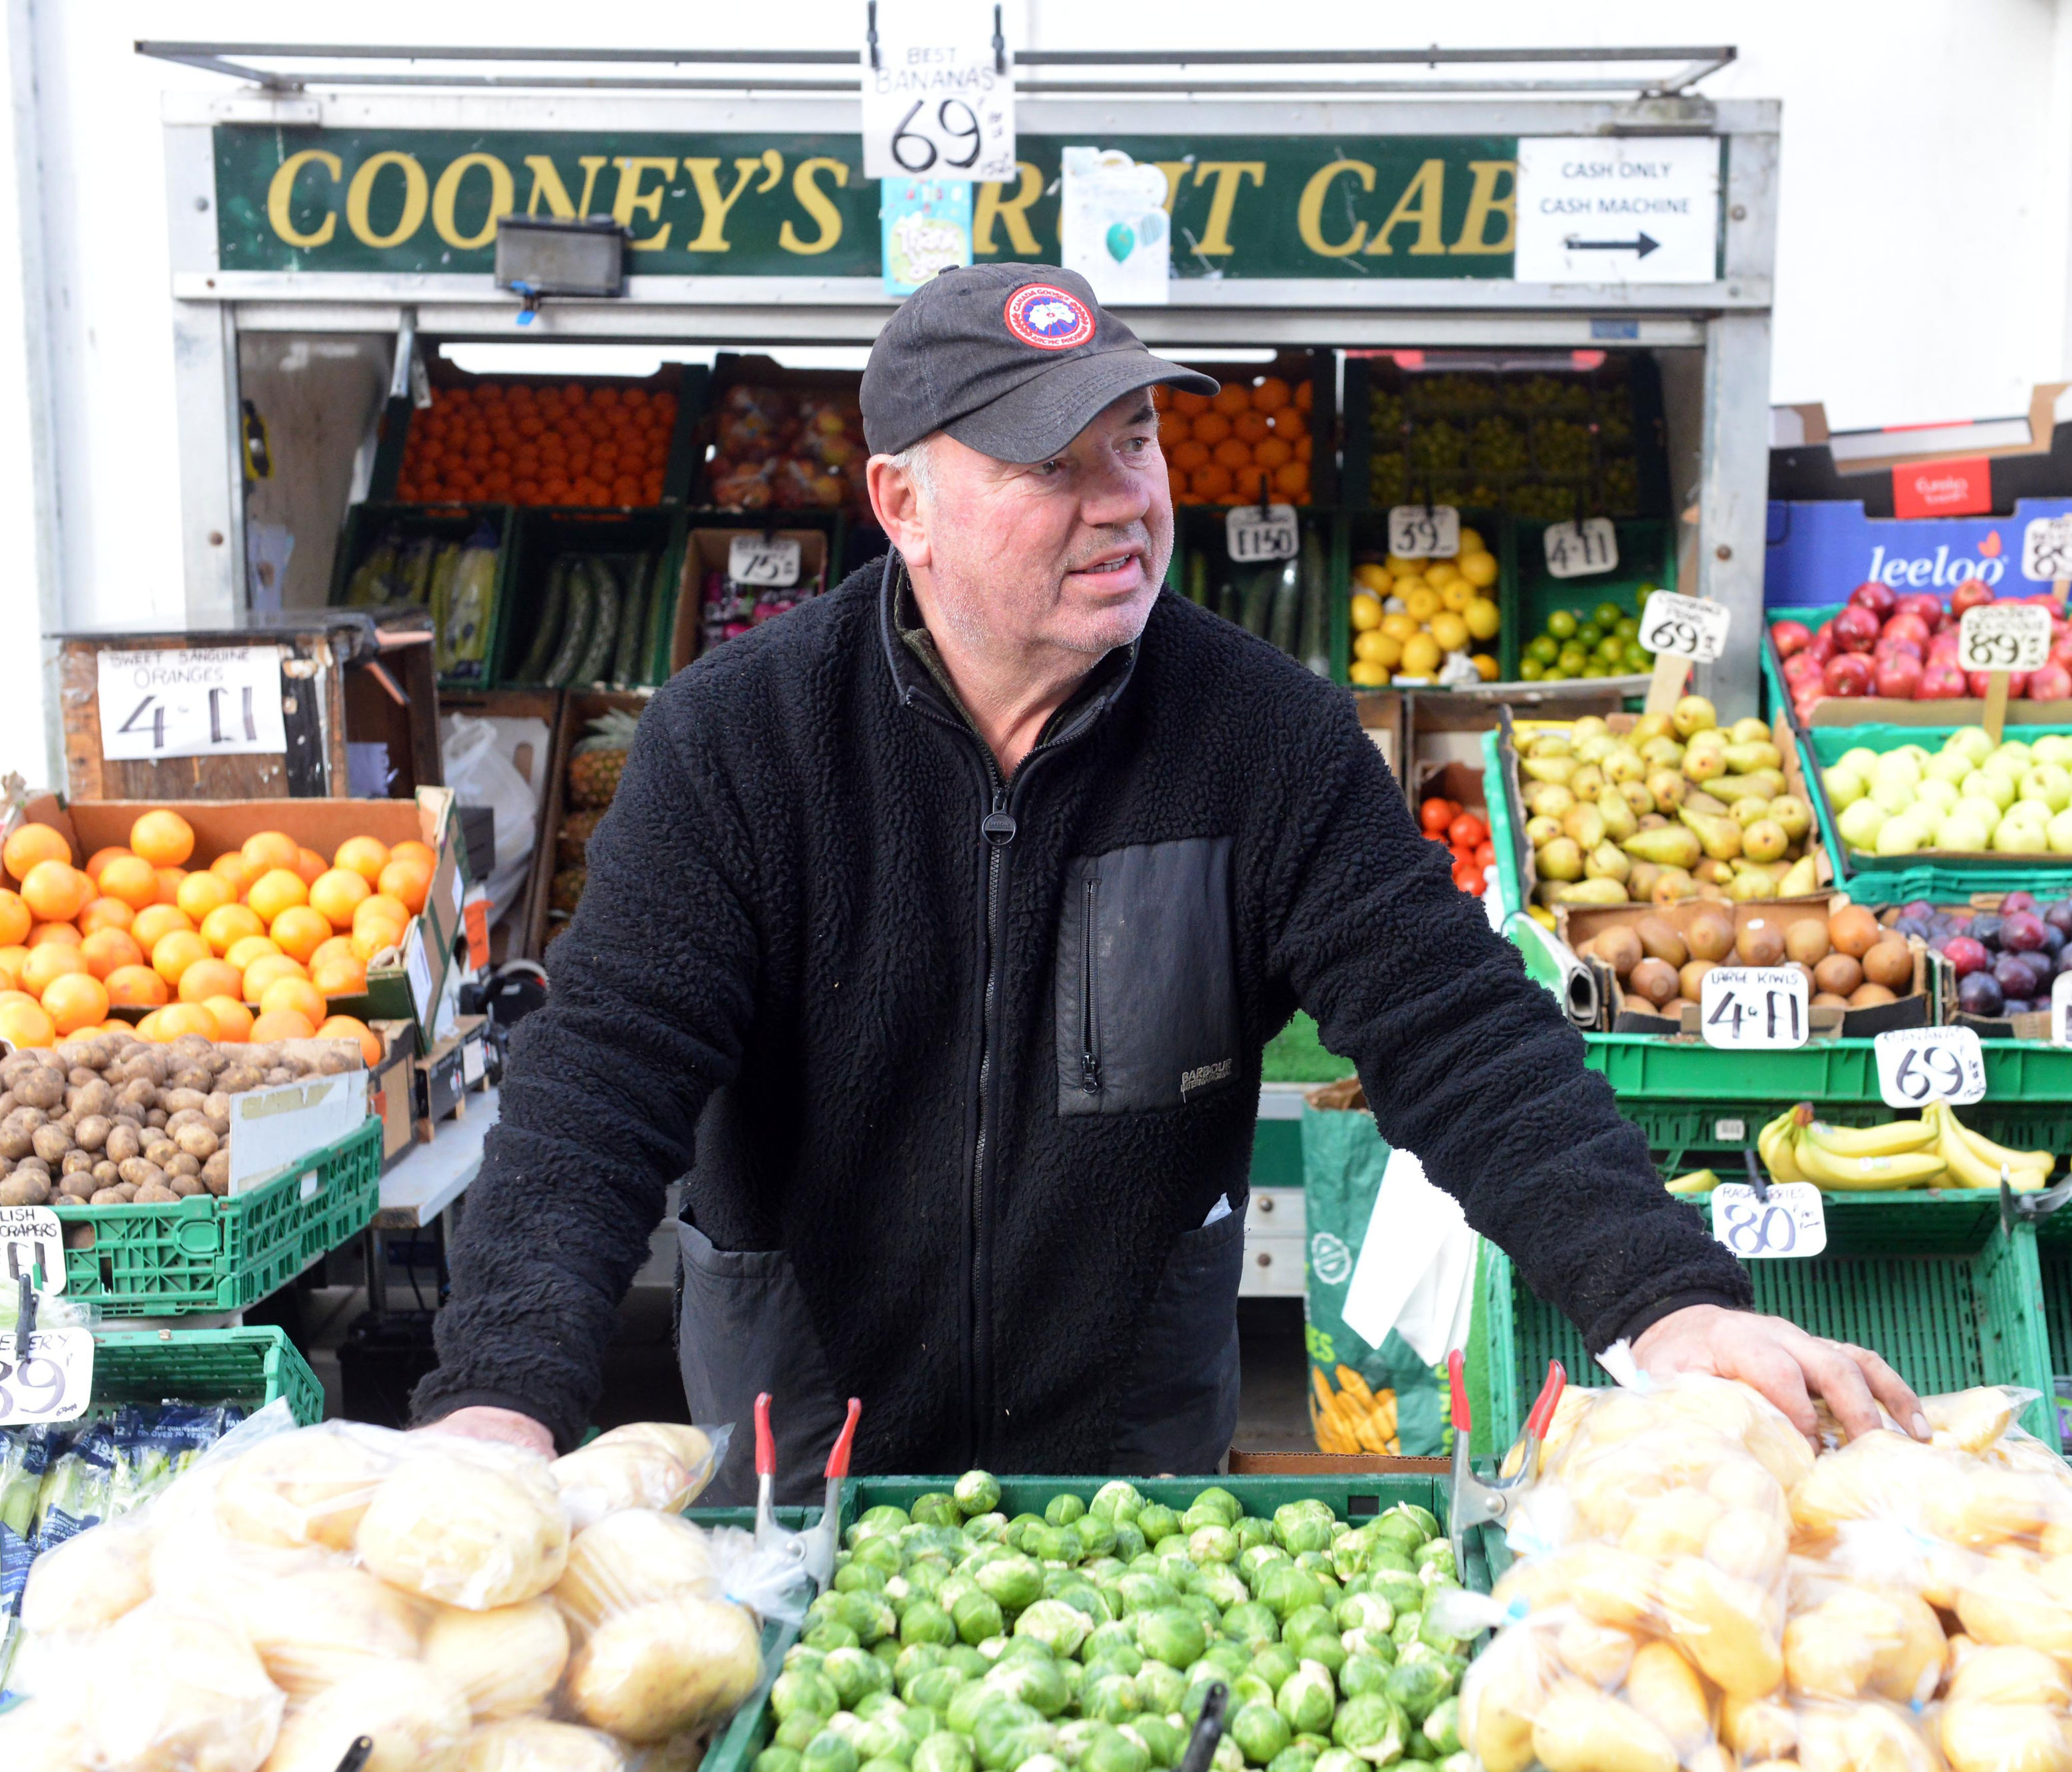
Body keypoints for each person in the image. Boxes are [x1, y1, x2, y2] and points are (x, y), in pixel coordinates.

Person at [413, 263, 1924, 1499]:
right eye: (1050, 465)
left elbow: (1457, 1028)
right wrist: (499, 1396)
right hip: (813, 1421)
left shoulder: (1259, 733)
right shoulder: (745, 739)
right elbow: (603, 1073)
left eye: (1135, 440)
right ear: (902, 505)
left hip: (1127, 1442)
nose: (1124, 497)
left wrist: (1668, 1296)